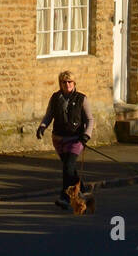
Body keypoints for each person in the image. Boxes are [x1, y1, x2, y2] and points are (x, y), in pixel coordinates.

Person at [36, 70, 94, 208]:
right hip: (59, 139)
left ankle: (65, 197)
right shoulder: (55, 98)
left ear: (74, 83)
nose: (67, 84)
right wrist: (42, 127)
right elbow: (49, 115)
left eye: (70, 82)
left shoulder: (82, 99)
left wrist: (86, 135)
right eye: (64, 82)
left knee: (68, 168)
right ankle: (84, 194)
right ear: (60, 83)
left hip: (75, 140)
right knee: (71, 170)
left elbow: (90, 119)